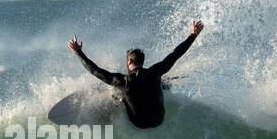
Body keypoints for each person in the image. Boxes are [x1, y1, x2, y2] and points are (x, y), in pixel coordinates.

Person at [67, 20, 204, 128]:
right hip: (158, 120)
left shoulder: (121, 81)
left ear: (129, 61)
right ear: (143, 62)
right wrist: (193, 34)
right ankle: (164, 84)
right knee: (160, 81)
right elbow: (176, 54)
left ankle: (115, 100)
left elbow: (95, 70)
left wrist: (78, 52)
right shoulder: (155, 71)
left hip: (139, 124)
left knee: (117, 92)